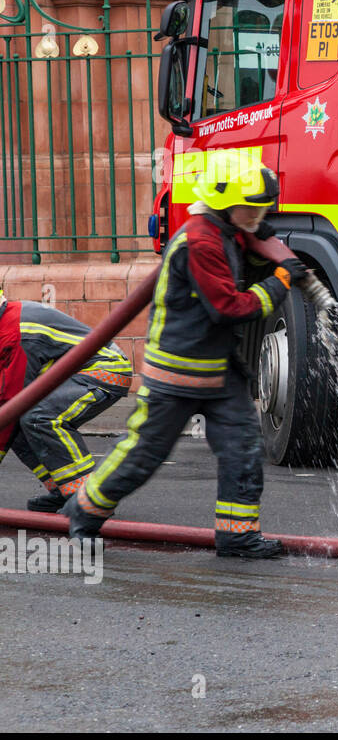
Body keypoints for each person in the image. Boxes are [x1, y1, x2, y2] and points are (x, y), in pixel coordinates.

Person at [62, 163, 308, 558]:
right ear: (226, 204)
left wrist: (264, 252)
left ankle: (237, 535)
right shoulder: (200, 241)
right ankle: (84, 511)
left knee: (242, 449)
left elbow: (236, 274)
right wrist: (278, 282)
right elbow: (227, 306)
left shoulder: (226, 232)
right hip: (177, 374)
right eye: (253, 209)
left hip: (219, 372)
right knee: (144, 454)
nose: (259, 216)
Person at [0, 293, 132, 511]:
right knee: (20, 428)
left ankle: (86, 499)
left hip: (105, 370)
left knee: (40, 418)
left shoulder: (16, 332)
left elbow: (12, 400)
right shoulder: (7, 324)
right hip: (78, 375)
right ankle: (64, 490)